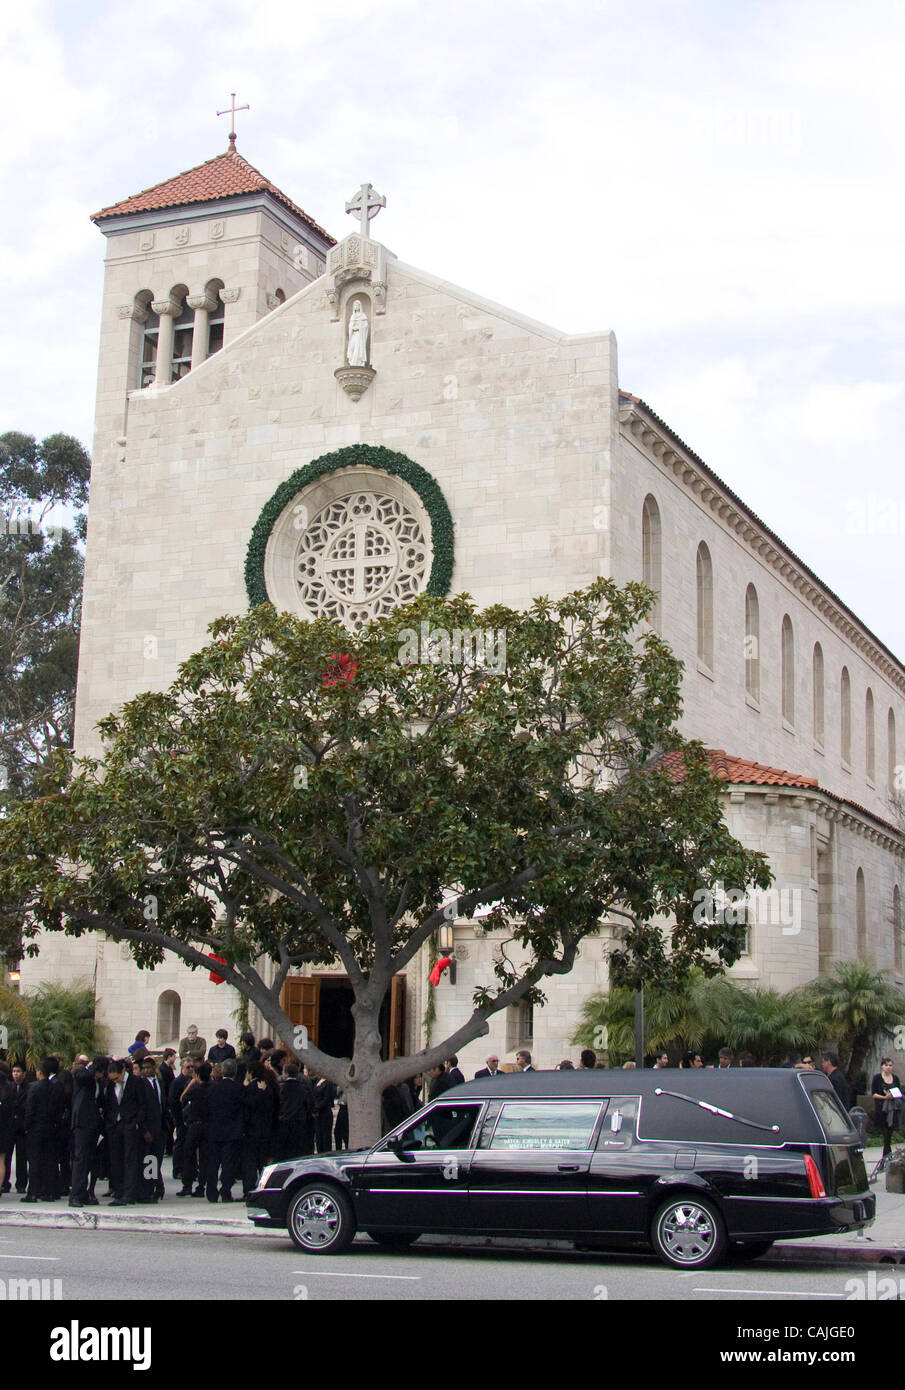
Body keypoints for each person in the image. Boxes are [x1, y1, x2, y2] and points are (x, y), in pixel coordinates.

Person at [23, 1059, 65, 1202]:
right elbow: (60, 1108)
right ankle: (50, 1192)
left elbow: (30, 1110)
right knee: (50, 1161)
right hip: (51, 1128)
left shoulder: (33, 1088)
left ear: (39, 1072)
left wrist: (27, 1127)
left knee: (34, 1161)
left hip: (36, 1129)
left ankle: (33, 1192)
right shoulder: (56, 1087)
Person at [69, 1056, 107, 1207]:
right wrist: (92, 1069)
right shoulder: (84, 1075)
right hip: (82, 1122)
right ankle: (75, 1194)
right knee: (80, 1159)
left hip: (93, 1123)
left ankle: (85, 1192)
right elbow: (81, 1075)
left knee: (90, 1159)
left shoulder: (97, 1083)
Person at [205, 1058, 244, 1202]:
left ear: (222, 1071)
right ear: (235, 1073)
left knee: (213, 1164)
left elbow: (206, 1108)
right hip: (232, 1132)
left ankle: (211, 1192)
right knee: (228, 1164)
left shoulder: (212, 1088)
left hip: (214, 1130)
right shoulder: (239, 1088)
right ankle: (226, 1190)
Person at [178, 1062, 212, 1197]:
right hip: (208, 1125)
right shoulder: (212, 1087)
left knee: (189, 1155)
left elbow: (182, 1098)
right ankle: (201, 1185)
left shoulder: (196, 1089)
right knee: (204, 1157)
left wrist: (192, 1083)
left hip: (195, 1125)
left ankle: (187, 1185)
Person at [241, 1062, 273, 1197]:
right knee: (262, 1162)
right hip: (264, 1130)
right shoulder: (268, 1087)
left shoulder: (251, 1088)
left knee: (250, 1162)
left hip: (252, 1130)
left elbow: (246, 1106)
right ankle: (264, 1188)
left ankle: (248, 1189)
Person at [139, 1055, 166, 1200]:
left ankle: (158, 1186)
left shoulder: (159, 1082)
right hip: (148, 1128)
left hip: (160, 1127)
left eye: (148, 1068)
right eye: (143, 1068)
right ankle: (149, 1190)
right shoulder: (141, 1084)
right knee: (149, 1160)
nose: (145, 1071)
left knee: (157, 1159)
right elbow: (141, 1109)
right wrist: (144, 1130)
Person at [277, 1061, 315, 1160]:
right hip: (300, 1122)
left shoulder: (281, 1088)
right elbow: (309, 1104)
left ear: (285, 1073)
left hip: (284, 1122)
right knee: (298, 1150)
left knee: (285, 1151)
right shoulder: (302, 1089)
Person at [169, 1054, 196, 1181]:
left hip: (191, 1118)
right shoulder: (177, 1082)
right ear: (182, 1068)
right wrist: (179, 1119)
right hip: (180, 1118)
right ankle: (177, 1169)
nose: (190, 1069)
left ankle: (189, 1168)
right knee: (180, 1143)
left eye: (192, 1067)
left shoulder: (194, 1081)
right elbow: (173, 1102)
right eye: (187, 1067)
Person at [871, 1058, 902, 1160]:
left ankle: (885, 1159)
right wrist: (885, 1097)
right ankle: (887, 1159)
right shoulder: (877, 1078)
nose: (888, 1067)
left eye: (890, 1065)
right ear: (882, 1066)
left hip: (892, 1109)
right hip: (882, 1109)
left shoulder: (896, 1078)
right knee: (885, 1135)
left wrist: (893, 1095)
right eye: (886, 1065)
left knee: (889, 1135)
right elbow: (874, 1094)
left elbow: (899, 1092)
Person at [5, 1063, 30, 1193]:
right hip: (9, 1127)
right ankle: (4, 1182)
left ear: (24, 1073)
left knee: (22, 1157)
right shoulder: (9, 1087)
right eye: (14, 1071)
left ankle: (21, 1184)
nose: (16, 1074)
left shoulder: (29, 1087)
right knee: (6, 1156)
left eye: (18, 1071)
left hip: (22, 1127)